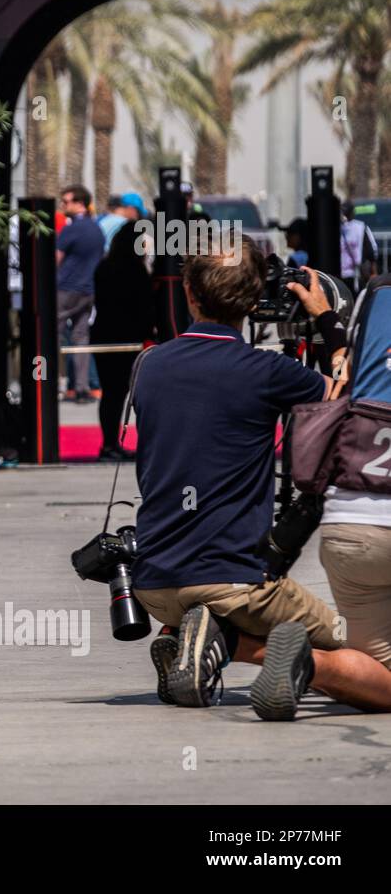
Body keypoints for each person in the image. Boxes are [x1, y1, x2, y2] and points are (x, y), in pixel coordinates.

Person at [130, 237, 391, 719]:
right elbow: (347, 394)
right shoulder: (267, 371)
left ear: (188, 292)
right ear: (254, 301)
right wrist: (325, 317)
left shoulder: (148, 366)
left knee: (206, 600)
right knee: (360, 654)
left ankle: (188, 634)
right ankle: (234, 643)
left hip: (154, 583)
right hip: (233, 583)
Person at [319, 273, 391, 674]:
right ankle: (313, 665)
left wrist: (327, 320)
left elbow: (342, 376)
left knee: (376, 668)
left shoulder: (377, 292)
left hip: (351, 525)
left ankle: (307, 663)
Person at [91, 221, 153, 461]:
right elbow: (144, 305)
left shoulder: (104, 267)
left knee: (111, 393)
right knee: (123, 391)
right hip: (128, 335)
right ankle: (112, 444)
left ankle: (108, 443)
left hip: (104, 332)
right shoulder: (135, 271)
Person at [56, 185, 105, 403]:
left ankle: (45, 381)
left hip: (65, 290)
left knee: (49, 337)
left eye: (66, 202)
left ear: (79, 203)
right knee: (81, 339)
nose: (62, 205)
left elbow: (56, 258)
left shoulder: (71, 229)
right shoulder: (96, 229)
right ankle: (82, 388)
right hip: (88, 291)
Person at [340, 200, 376, 293]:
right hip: (357, 273)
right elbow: (371, 251)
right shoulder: (361, 226)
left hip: (339, 273)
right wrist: (373, 271)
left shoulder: (336, 227)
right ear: (353, 212)